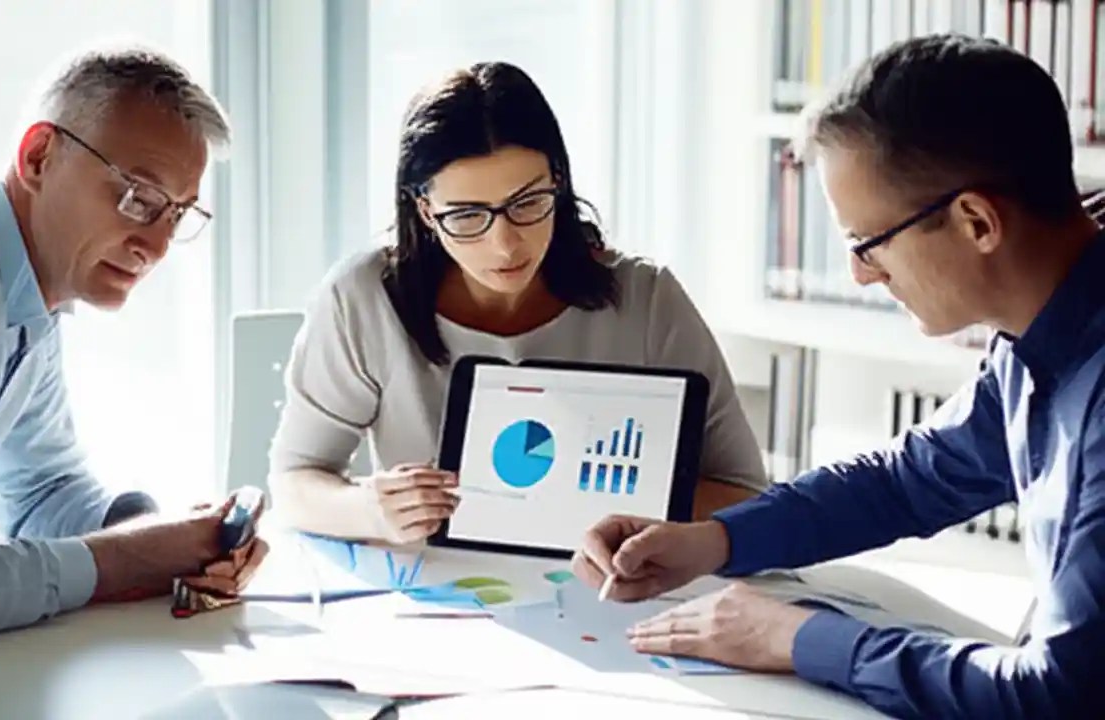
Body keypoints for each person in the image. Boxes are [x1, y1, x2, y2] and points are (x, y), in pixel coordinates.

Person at [573, 34, 1105, 719]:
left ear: (976, 221)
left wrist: (800, 638)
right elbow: (907, 480)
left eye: (867, 244)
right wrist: (714, 541)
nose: (859, 274)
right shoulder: (1047, 320)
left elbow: (1058, 695)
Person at [0, 47, 268, 648]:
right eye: (139, 197)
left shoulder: (28, 294)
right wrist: (129, 560)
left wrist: (169, 538)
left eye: (177, 213)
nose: (157, 245)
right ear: (39, 156)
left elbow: (39, 492)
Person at [267, 61, 767, 546]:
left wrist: (604, 502)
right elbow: (293, 484)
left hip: (609, 594)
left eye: (528, 203)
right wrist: (370, 510)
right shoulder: (363, 298)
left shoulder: (647, 300)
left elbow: (747, 495)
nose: (505, 246)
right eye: (466, 216)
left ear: (559, 182)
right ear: (424, 210)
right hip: (433, 593)